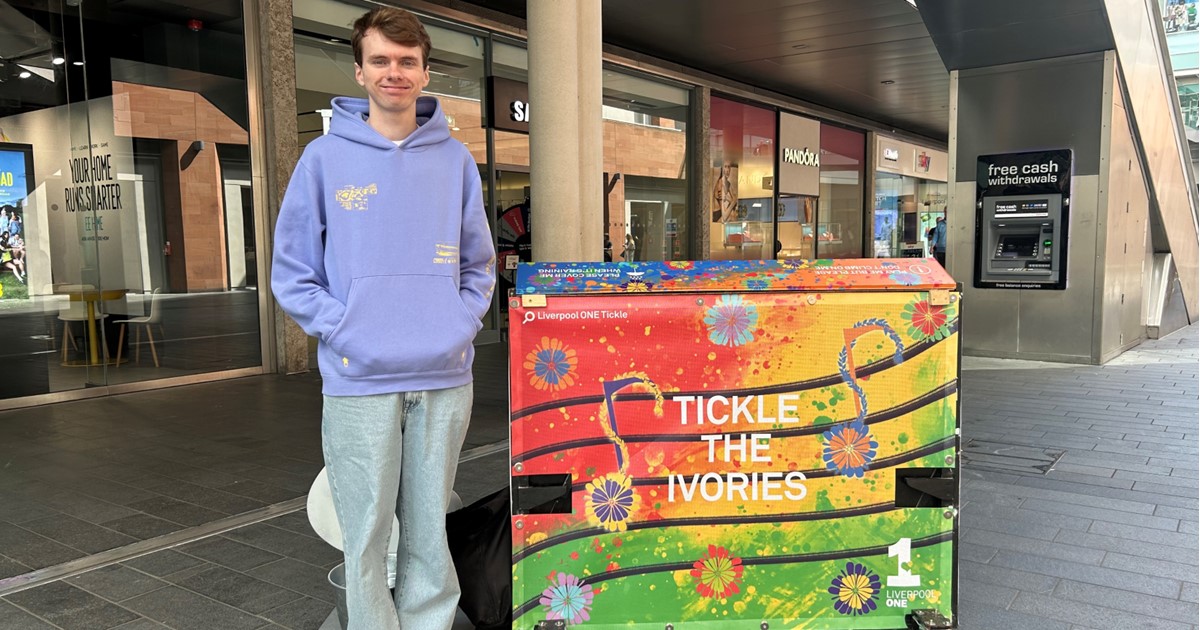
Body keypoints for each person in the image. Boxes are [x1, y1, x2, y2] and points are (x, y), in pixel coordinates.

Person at [270, 7, 495, 630]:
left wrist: (459, 321)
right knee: (363, 529)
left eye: (407, 62)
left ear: (425, 74)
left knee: (429, 523)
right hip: (357, 375)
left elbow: (480, 264)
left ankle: (428, 622)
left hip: (443, 375)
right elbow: (291, 271)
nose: (394, 72)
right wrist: (343, 327)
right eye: (381, 61)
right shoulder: (323, 158)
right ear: (360, 70)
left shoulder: (455, 162)